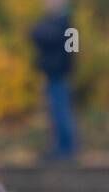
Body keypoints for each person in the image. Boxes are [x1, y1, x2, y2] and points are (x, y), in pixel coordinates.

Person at [31, 0, 78, 161]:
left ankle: (66, 149)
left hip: (59, 74)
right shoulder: (57, 23)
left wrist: (65, 68)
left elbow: (71, 49)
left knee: (61, 112)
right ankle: (60, 147)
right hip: (53, 73)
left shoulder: (65, 24)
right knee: (55, 112)